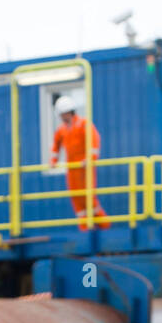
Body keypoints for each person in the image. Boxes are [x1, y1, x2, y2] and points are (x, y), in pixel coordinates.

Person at [47, 96, 111, 229]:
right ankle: (86, 232)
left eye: (65, 113)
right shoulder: (61, 130)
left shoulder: (83, 124)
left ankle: (105, 227)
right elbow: (55, 147)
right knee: (77, 202)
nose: (63, 117)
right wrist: (53, 161)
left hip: (85, 168)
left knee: (90, 200)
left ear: (71, 111)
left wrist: (90, 159)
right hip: (72, 170)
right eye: (61, 114)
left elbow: (94, 140)